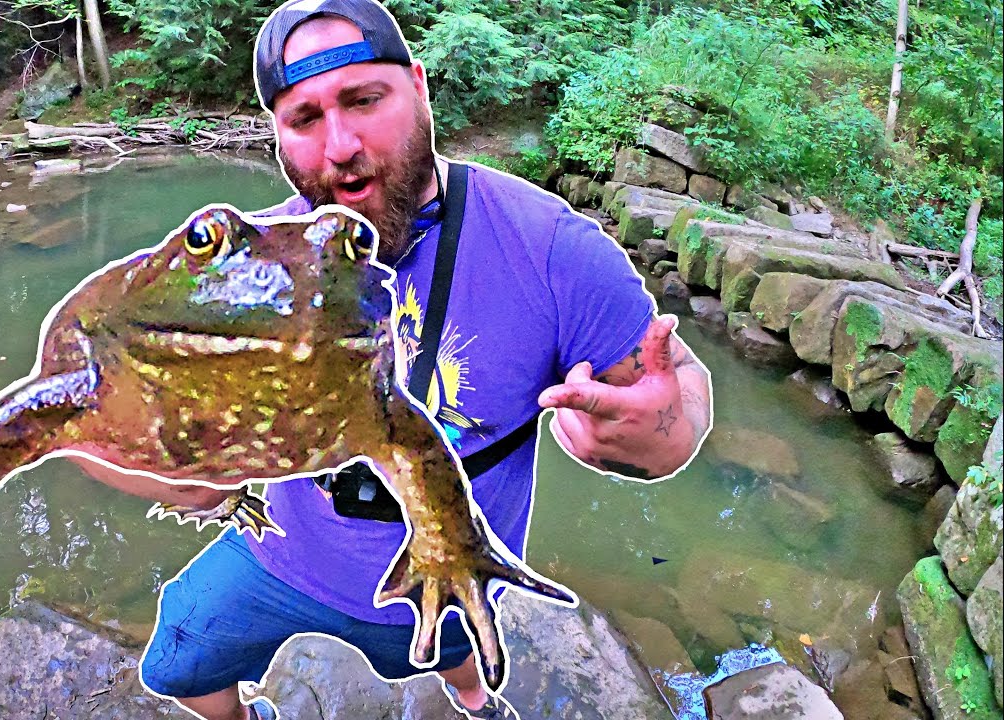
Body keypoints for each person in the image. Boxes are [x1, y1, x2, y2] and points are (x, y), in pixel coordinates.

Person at [71, 1, 713, 718]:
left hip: (446, 564)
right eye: (305, 119)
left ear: (418, 85)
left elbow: (679, 394)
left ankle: (473, 700)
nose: (340, 145)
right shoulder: (244, 267)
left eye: (364, 99)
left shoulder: (551, 250)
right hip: (279, 555)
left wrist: (660, 429)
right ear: (277, 138)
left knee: (461, 657)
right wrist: (169, 476)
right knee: (179, 662)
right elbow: (75, 408)